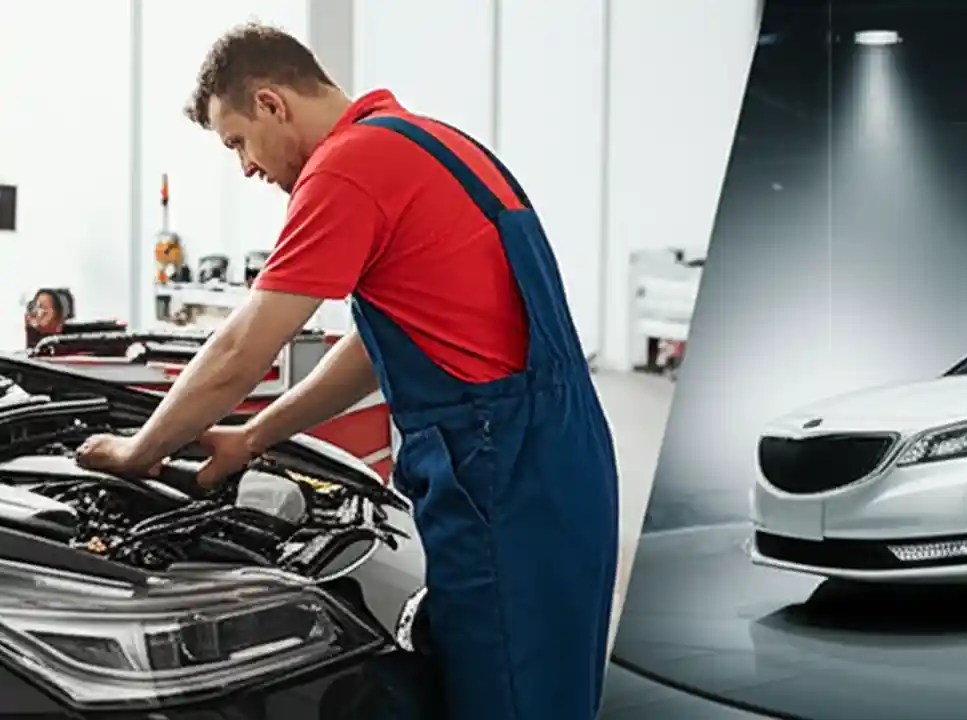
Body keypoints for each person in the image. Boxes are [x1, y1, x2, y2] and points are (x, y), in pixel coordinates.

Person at [74, 22, 619, 720]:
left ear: (271, 103)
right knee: (545, 682)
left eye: (236, 141)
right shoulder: (427, 140)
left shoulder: (345, 168)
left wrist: (138, 451)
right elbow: (376, 345)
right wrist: (252, 436)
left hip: (500, 467)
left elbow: (244, 348)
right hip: (559, 456)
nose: (244, 167)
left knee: (508, 695)